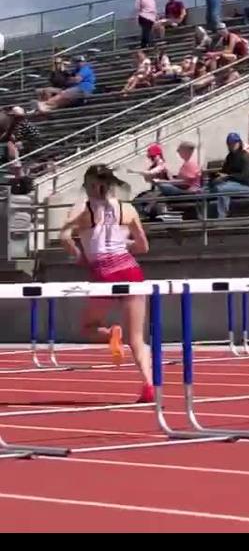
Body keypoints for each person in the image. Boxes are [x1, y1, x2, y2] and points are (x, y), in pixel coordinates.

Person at [57, 165, 154, 403]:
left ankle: (111, 332)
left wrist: (78, 254)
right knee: (137, 339)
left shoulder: (83, 207)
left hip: (104, 272)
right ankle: (148, 385)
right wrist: (125, 244)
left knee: (89, 326)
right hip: (130, 270)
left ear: (87, 184)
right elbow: (143, 247)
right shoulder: (127, 208)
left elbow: (64, 235)